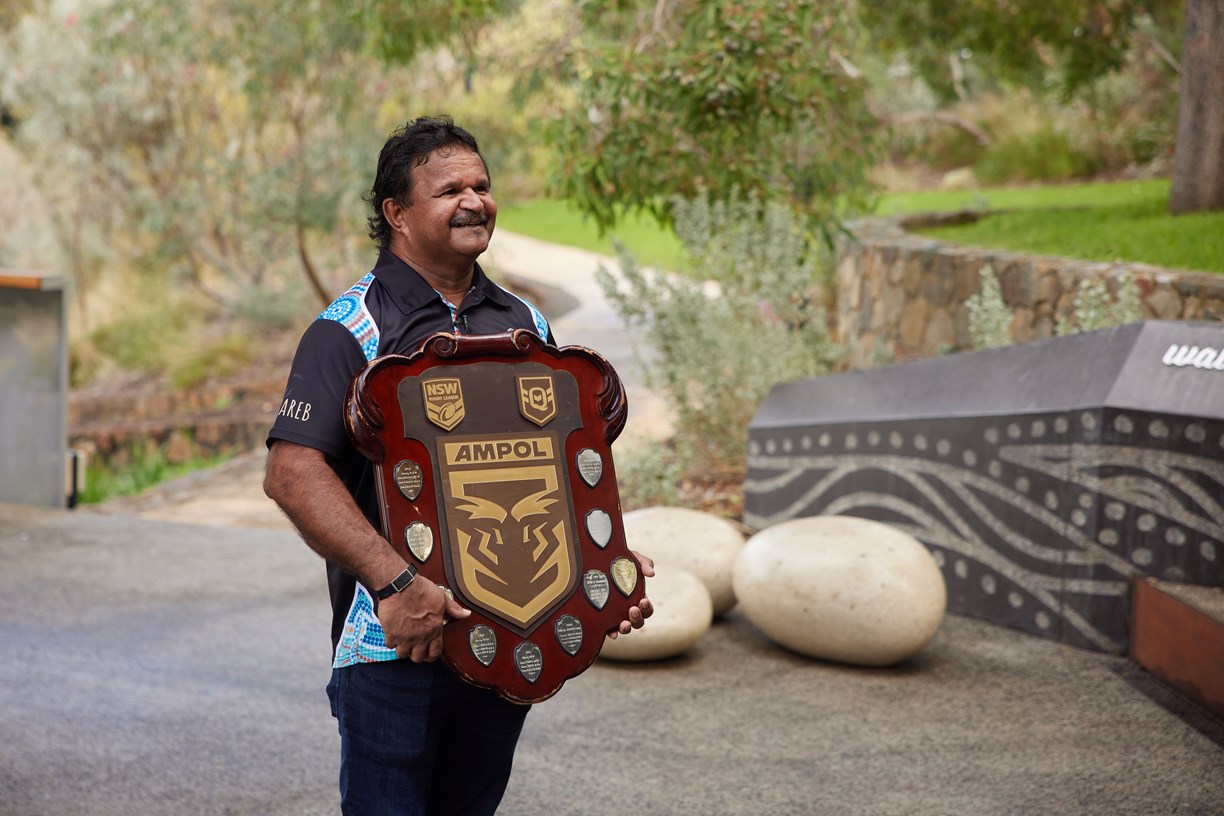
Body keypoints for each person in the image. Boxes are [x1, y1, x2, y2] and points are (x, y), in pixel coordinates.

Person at [263, 115, 653, 816]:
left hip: (512, 633)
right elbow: (292, 473)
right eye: (450, 190)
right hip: (395, 647)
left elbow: (562, 466)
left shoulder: (526, 324)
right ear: (397, 214)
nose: (474, 201)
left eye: (482, 185)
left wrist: (601, 568)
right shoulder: (350, 328)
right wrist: (397, 584)